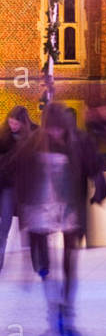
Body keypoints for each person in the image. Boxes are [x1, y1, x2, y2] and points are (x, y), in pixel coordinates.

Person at [7, 103, 106, 336]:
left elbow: (95, 165)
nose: (54, 134)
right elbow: (12, 165)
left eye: (57, 129)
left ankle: (67, 312)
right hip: (40, 207)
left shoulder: (80, 141)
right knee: (46, 266)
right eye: (50, 129)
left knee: (70, 262)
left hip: (70, 207)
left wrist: (100, 187)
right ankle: (55, 313)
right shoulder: (34, 142)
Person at [0, 105, 37, 273]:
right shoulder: (3, 137)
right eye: (10, 123)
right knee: (4, 224)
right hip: (7, 185)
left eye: (15, 123)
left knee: (29, 225)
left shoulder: (34, 136)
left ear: (23, 123)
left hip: (26, 187)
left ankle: (34, 261)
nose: (12, 126)